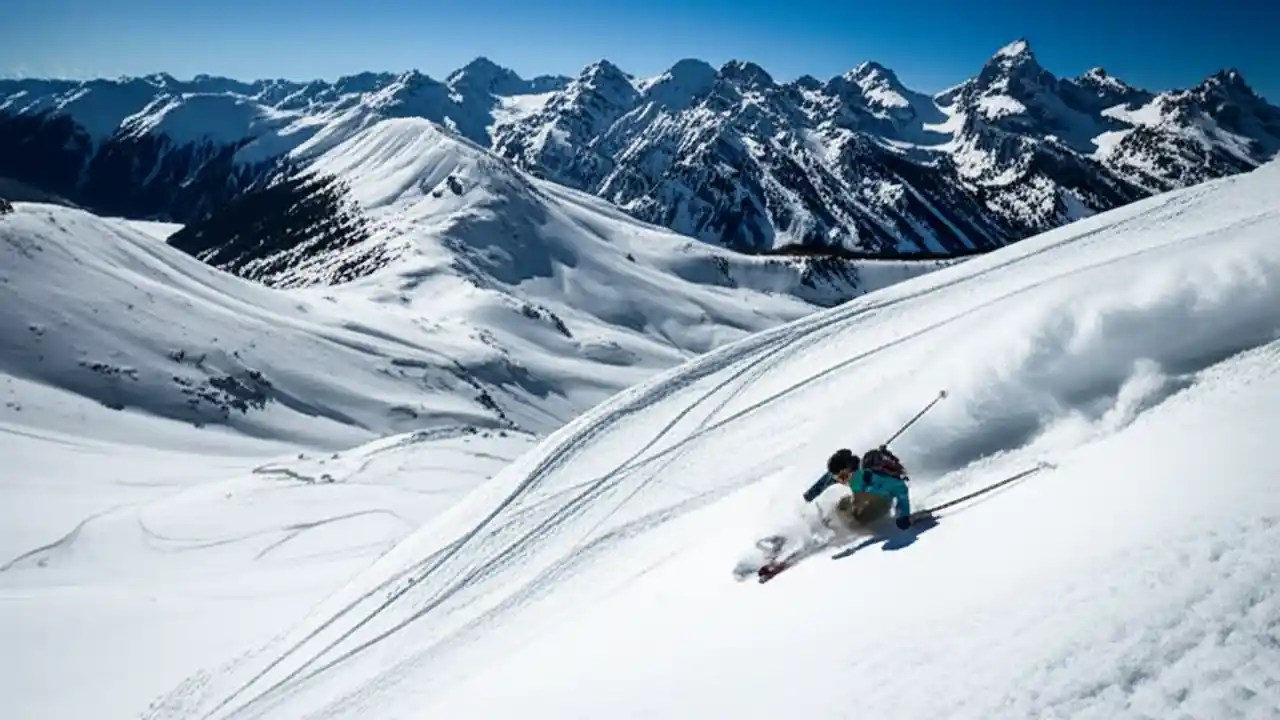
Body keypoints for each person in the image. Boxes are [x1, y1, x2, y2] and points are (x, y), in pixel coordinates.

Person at [803, 447, 915, 530]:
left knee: (853, 516)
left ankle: (848, 525)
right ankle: (830, 524)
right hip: (865, 498)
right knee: (841, 506)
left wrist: (903, 515)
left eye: (843, 477)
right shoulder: (844, 473)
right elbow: (825, 481)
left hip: (881, 501)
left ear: (849, 469)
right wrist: (809, 496)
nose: (842, 481)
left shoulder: (870, 476)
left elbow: (900, 488)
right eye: (838, 478)